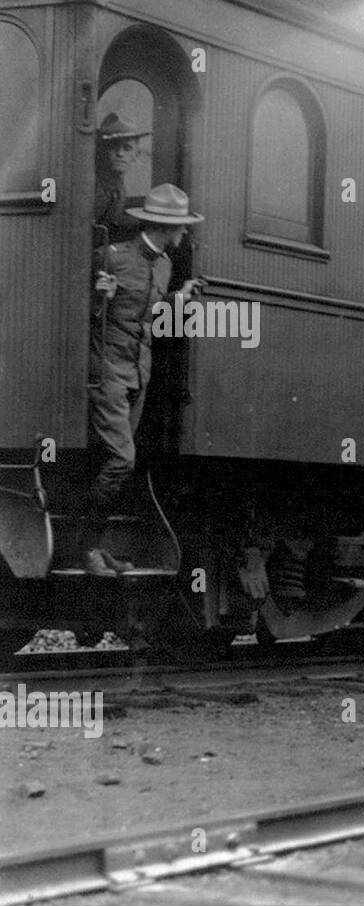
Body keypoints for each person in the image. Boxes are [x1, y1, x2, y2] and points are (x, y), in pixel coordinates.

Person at [82, 183, 204, 576]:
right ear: (165, 227)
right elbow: (73, 304)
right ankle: (86, 549)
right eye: (181, 228)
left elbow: (148, 313)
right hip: (108, 372)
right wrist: (95, 296)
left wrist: (178, 300)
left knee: (118, 463)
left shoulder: (165, 266)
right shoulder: (110, 257)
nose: (184, 234)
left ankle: (99, 547)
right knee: (121, 460)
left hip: (138, 375)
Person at [94, 113, 151, 245]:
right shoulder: (98, 184)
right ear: (104, 151)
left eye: (127, 148)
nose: (120, 154)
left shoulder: (117, 183)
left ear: (136, 155)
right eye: (114, 147)